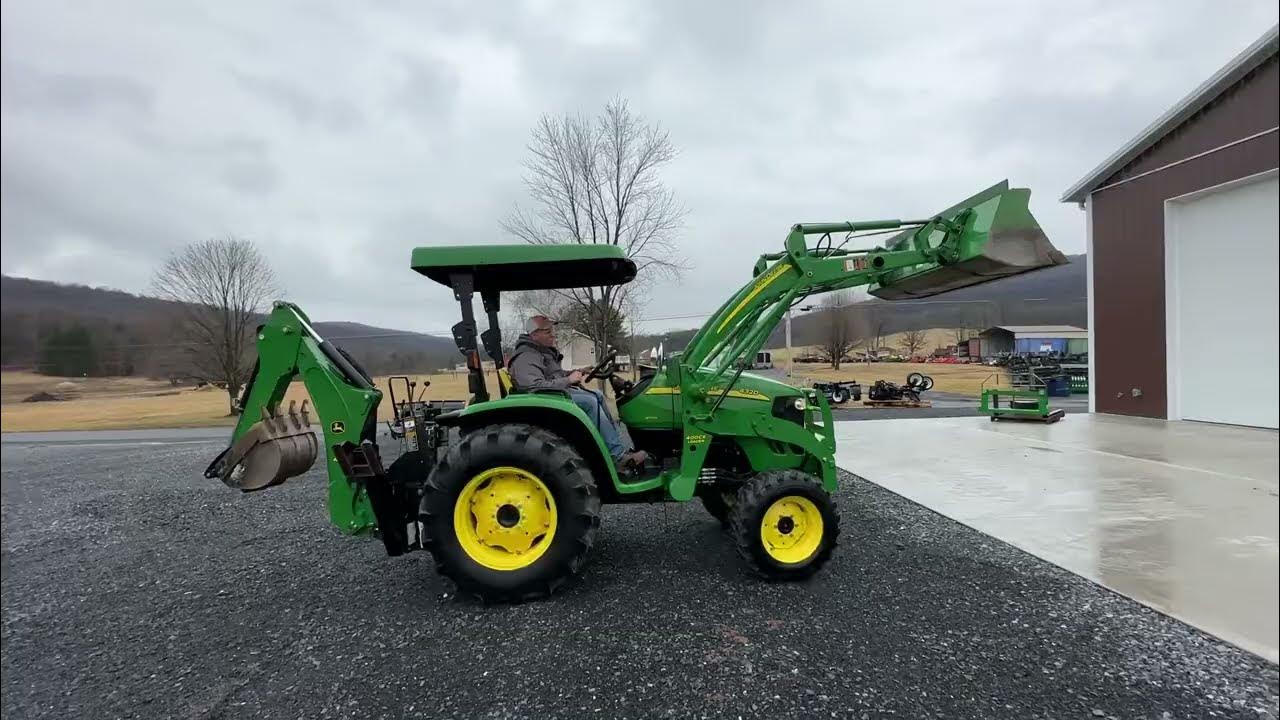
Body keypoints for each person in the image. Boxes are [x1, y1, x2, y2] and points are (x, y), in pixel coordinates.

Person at [507, 315, 648, 471]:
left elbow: (554, 375)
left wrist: (578, 371)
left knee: (597, 395)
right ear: (534, 334)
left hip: (552, 395)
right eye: (547, 332)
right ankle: (618, 457)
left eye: (552, 330)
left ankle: (615, 449)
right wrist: (568, 380)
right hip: (543, 401)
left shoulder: (541, 352)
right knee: (590, 402)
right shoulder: (526, 356)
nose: (553, 334)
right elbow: (533, 386)